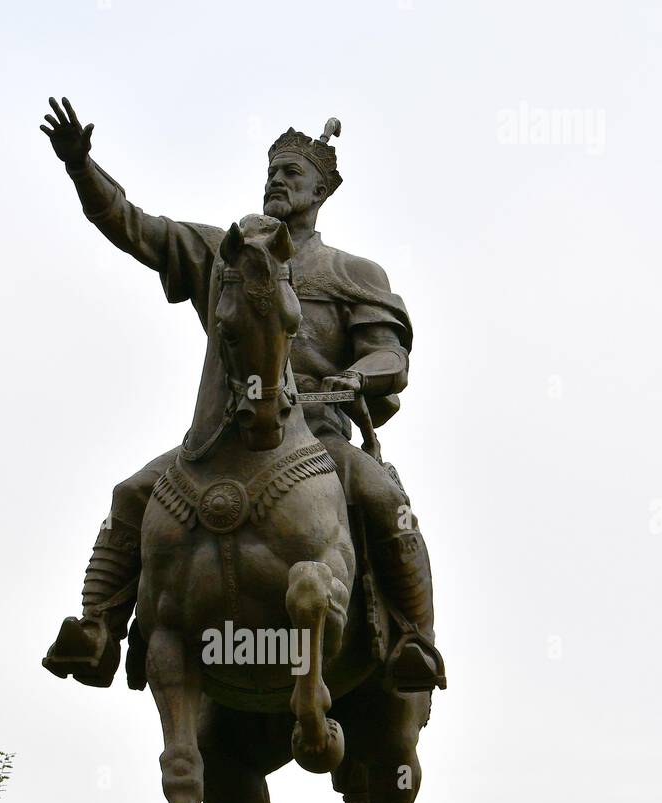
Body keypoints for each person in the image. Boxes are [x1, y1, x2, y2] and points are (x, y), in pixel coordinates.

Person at [39, 98, 445, 693]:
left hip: (317, 435)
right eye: (272, 172)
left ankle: (414, 638)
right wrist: (82, 167)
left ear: (320, 192)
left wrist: (357, 376)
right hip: (221, 434)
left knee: (384, 495)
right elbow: (133, 224)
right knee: (131, 495)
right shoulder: (223, 254)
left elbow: (391, 355)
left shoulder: (352, 271)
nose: (277, 181)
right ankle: (98, 626)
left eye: (292, 174)